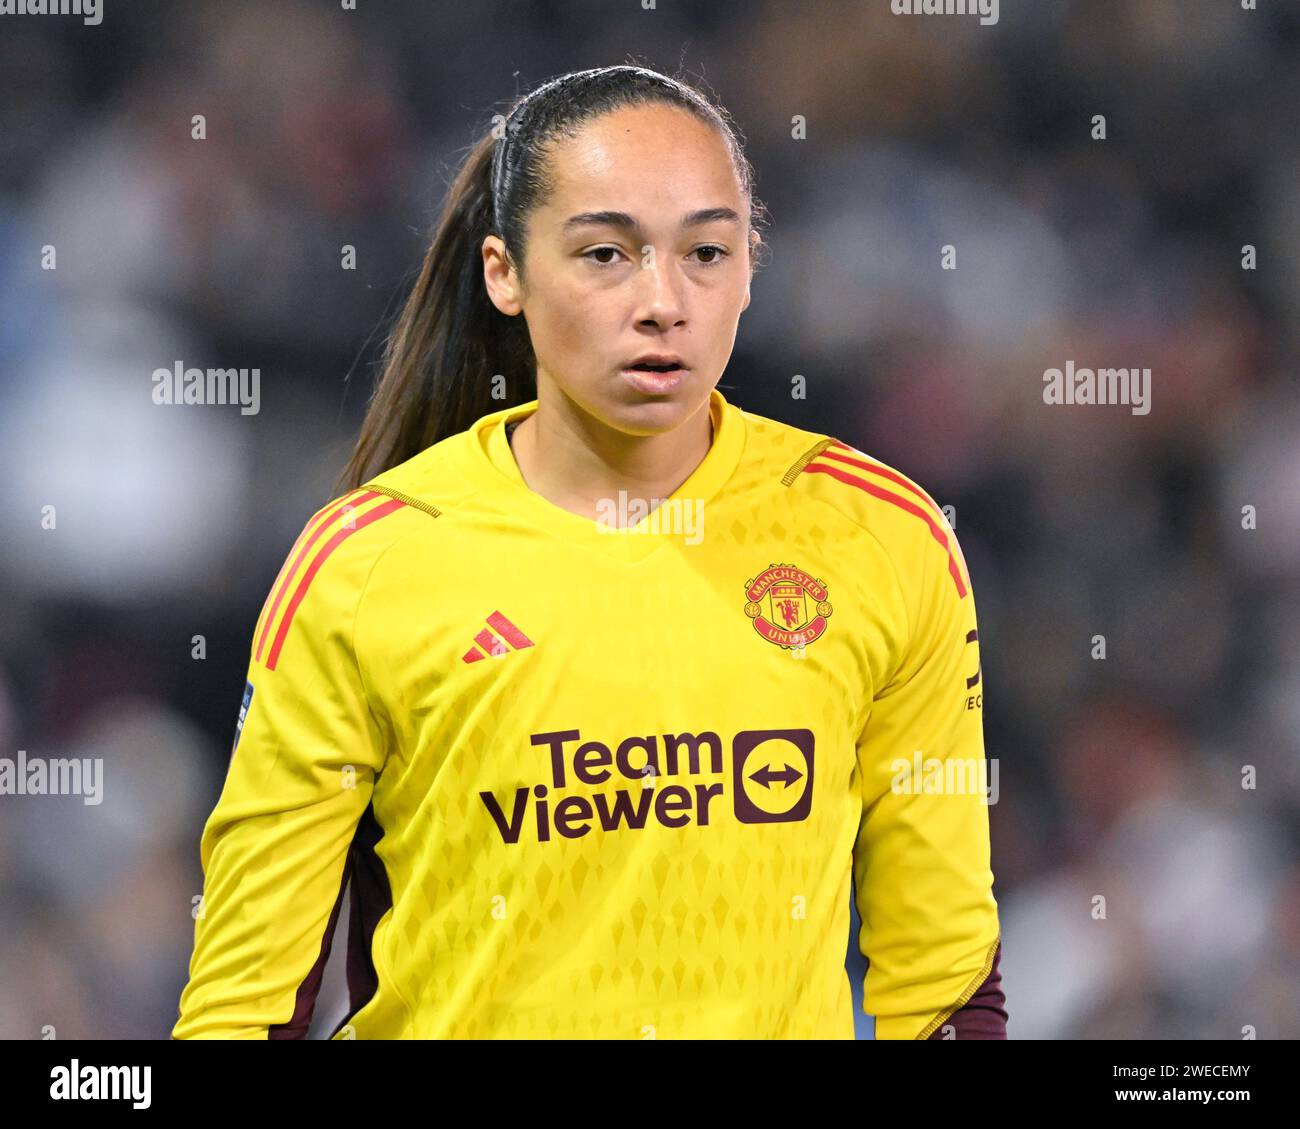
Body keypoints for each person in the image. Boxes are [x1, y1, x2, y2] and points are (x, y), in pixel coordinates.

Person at [172, 64, 1005, 1040]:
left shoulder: (879, 538)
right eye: (606, 254)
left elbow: (942, 984)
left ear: (748, 268)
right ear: (503, 273)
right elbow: (244, 1006)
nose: (663, 301)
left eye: (705, 252)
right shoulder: (364, 566)